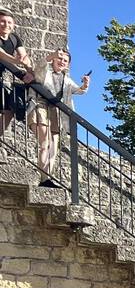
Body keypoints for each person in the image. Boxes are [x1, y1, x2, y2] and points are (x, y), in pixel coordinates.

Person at [27, 49, 90, 187]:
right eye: (60, 59)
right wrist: (51, 56)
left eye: (65, 61)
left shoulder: (66, 79)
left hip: (55, 112)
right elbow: (39, 66)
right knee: (45, 143)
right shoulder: (46, 71)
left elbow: (79, 90)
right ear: (54, 60)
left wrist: (85, 84)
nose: (62, 62)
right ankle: (43, 177)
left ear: (68, 65)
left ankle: (47, 177)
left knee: (54, 147)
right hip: (40, 107)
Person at [0, 7, 35, 137]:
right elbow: (2, 55)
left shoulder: (14, 38)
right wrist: (16, 61)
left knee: (8, 109)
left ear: (13, 25)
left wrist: (30, 72)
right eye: (2, 21)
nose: (6, 25)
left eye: (9, 22)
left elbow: (24, 57)